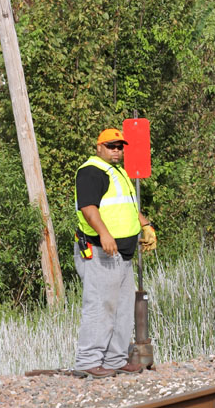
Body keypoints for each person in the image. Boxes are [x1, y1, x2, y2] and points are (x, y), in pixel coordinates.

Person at [73, 128, 157, 378]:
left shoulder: (118, 172)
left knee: (122, 308)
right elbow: (88, 208)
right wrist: (104, 234)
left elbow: (129, 206)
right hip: (100, 252)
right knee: (101, 306)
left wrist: (145, 225)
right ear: (98, 147)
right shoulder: (91, 171)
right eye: (111, 146)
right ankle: (88, 361)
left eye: (120, 146)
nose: (117, 151)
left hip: (123, 255)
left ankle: (115, 359)